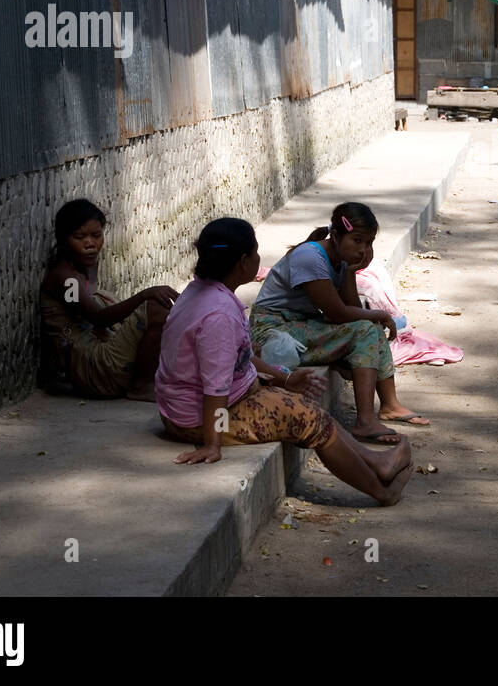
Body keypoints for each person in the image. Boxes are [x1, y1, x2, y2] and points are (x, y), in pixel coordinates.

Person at [155, 218, 412, 506]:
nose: (257, 259)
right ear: (243, 262)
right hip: (196, 418)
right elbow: (216, 387)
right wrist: (212, 444)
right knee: (307, 420)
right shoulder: (219, 315)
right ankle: (381, 490)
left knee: (306, 406)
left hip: (203, 406)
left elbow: (238, 358)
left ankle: (377, 463)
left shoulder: (202, 291)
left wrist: (284, 378)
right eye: (255, 253)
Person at [249, 202, 429, 444]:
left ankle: (390, 405)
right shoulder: (310, 257)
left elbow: (350, 307)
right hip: (272, 329)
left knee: (369, 327)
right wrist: (380, 315)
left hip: (301, 324)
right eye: (357, 241)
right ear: (335, 236)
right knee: (366, 327)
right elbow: (338, 313)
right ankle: (365, 421)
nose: (363, 249)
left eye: (369, 243)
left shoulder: (341, 260)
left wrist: (351, 272)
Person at [39, 199, 178, 399]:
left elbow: (89, 309)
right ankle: (141, 386)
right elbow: (98, 317)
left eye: (96, 236)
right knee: (155, 308)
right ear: (63, 240)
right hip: (94, 369)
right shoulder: (65, 277)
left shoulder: (85, 265)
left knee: (105, 298)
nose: (90, 244)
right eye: (80, 237)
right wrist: (145, 294)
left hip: (99, 357)